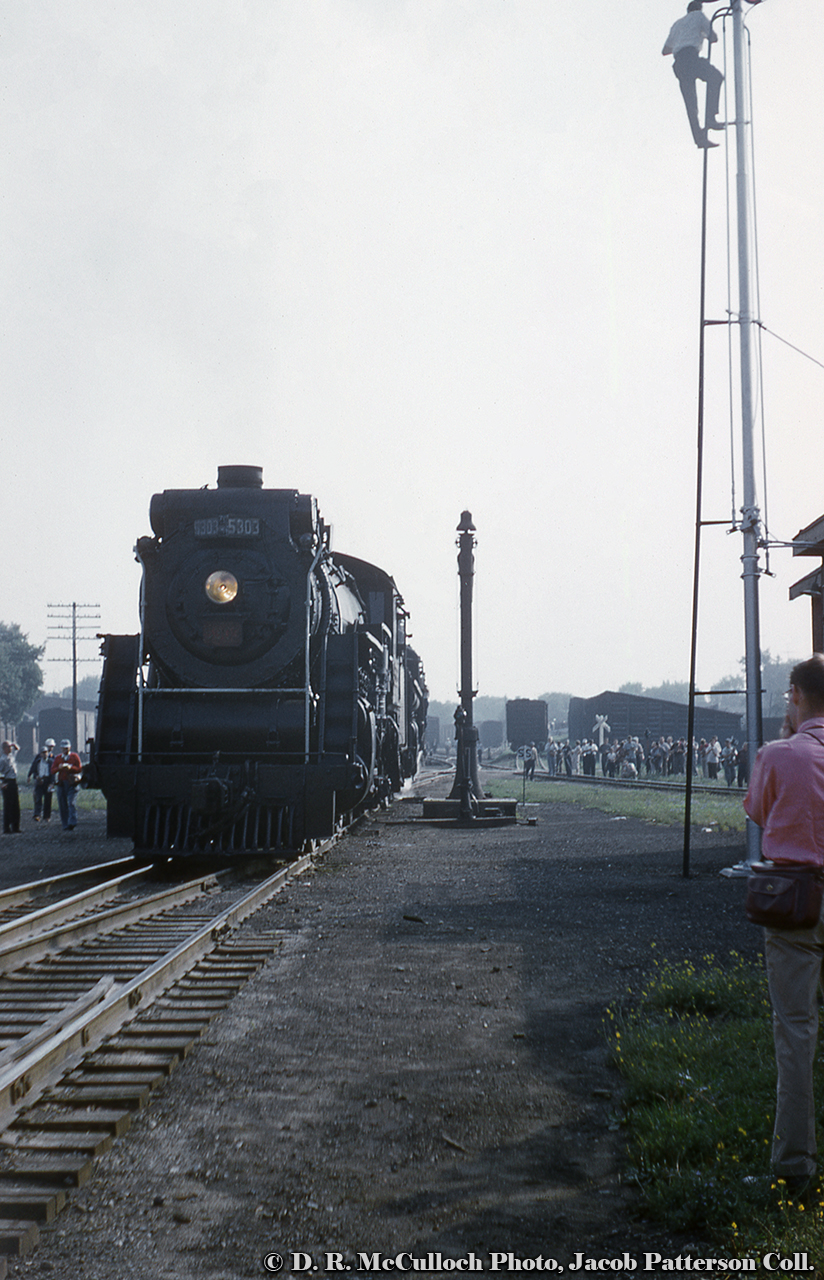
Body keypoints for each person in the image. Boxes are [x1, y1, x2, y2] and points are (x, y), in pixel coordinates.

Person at [743, 655, 824, 1189]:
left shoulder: (777, 755)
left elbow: (757, 811)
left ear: (794, 694)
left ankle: (795, 1165)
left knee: (796, 1032)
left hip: (797, 905)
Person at [662, 0, 725, 149]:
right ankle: (710, 117)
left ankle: (699, 138)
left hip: (679, 62)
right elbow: (713, 37)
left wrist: (681, 41)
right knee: (715, 77)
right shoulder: (698, 16)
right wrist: (701, 35)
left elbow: (665, 50)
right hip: (691, 56)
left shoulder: (677, 24)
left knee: (691, 103)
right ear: (699, 8)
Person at [51, 738, 82, 831]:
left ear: (70, 748)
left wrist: (70, 767)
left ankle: (72, 822)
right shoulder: (58, 758)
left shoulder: (74, 756)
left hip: (72, 783)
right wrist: (59, 768)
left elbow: (79, 768)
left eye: (67, 748)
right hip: (61, 783)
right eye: (64, 748)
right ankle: (65, 824)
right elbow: (52, 770)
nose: (65, 750)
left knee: (71, 803)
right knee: (62, 804)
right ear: (61, 748)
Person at [27, 738, 56, 823]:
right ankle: (37, 814)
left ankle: (47, 816)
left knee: (48, 799)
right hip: (39, 781)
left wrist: (52, 783)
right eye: (43, 753)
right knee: (38, 798)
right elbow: (33, 768)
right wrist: (31, 776)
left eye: (46, 752)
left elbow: (53, 773)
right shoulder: (38, 760)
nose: (45, 754)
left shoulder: (51, 760)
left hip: (47, 781)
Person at [0, 741, 21, 834]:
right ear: (5, 748)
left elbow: (17, 749)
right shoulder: (2, 759)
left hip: (13, 781)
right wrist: (1, 783)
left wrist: (13, 744)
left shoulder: (11, 756)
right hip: (7, 781)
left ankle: (15, 826)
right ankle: (6, 827)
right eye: (9, 747)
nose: (11, 749)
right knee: (8, 805)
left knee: (15, 805)